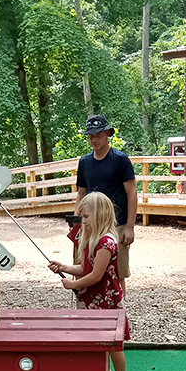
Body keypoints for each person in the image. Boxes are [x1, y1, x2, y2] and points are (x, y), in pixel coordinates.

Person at [49, 191, 130, 371]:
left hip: (106, 301)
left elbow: (95, 276)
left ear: (99, 215)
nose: (82, 221)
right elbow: (85, 269)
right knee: (98, 340)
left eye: (85, 217)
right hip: (96, 301)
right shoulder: (94, 239)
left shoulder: (106, 243)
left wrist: (73, 285)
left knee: (113, 345)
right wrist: (64, 267)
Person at [75, 114, 137, 294]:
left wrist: (130, 227)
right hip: (90, 225)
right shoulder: (85, 162)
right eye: (91, 136)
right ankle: (89, 310)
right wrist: (77, 223)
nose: (94, 139)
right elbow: (81, 193)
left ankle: (119, 311)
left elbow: (131, 193)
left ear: (107, 134)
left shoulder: (120, 160)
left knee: (117, 272)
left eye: (98, 135)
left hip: (116, 225)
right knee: (86, 266)